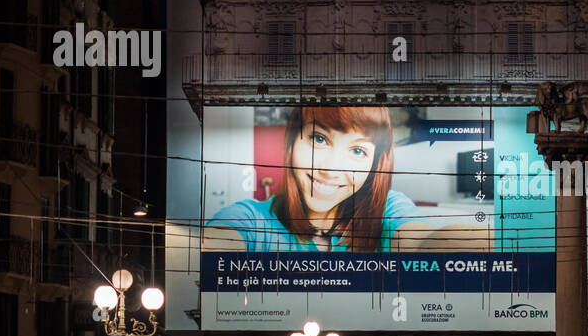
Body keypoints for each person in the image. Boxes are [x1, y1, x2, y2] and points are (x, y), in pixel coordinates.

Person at [203, 105, 492, 253]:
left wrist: (509, 242)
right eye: (318, 139)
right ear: (291, 145)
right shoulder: (248, 219)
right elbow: (215, 245)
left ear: (375, 164)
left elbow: (419, 239)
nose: (331, 169)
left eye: (357, 150)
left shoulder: (387, 210)